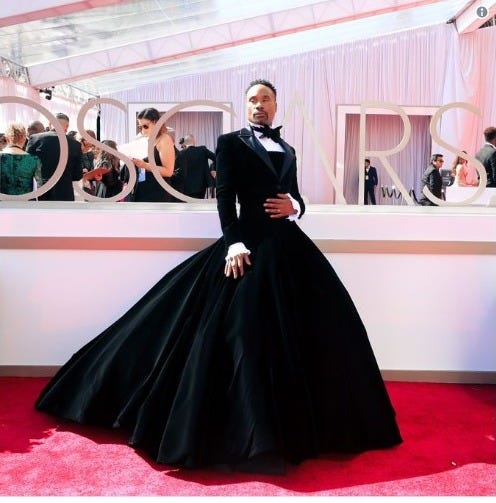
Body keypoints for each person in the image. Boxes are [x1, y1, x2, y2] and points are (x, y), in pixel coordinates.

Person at [35, 79, 401, 474]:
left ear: (276, 106)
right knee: (240, 332)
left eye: (265, 99)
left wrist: (295, 206)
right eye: (252, 99)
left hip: (290, 246)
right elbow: (225, 197)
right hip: (247, 242)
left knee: (324, 327)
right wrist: (234, 243)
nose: (258, 105)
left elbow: (296, 196)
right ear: (246, 105)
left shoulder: (289, 148)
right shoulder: (230, 143)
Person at [25, 112, 83, 201]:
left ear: (50, 124)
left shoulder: (35, 139)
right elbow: (77, 175)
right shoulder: (75, 145)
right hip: (65, 193)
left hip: (41, 192)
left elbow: (27, 167)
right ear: (67, 127)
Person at [131, 108, 175, 202]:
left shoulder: (164, 139)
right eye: (140, 127)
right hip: (142, 189)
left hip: (157, 192)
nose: (142, 130)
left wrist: (144, 165)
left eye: (145, 126)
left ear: (155, 122)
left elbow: (168, 171)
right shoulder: (145, 139)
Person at [0, 122, 42, 196]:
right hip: (24, 201)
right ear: (24, 138)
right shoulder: (33, 159)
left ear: (7, 138)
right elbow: (40, 185)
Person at [180, 133, 216, 198]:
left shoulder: (181, 153)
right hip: (202, 185)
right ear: (194, 142)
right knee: (200, 203)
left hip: (187, 187)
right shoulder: (203, 150)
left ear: (185, 143)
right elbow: (216, 158)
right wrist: (213, 170)